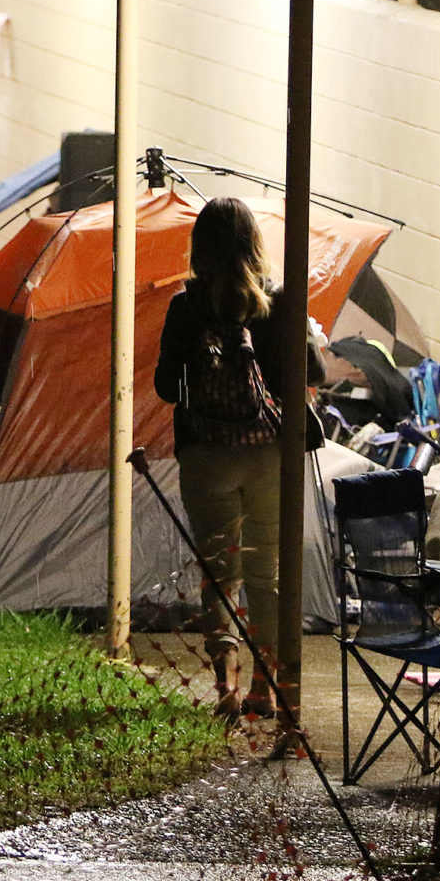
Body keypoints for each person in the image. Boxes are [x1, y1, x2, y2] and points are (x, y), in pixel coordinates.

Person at [153, 197, 322, 725]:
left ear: (199, 248)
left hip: (207, 456)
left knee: (218, 572)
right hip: (271, 455)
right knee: (266, 572)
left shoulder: (187, 305)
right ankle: (263, 689)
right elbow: (312, 373)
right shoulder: (280, 300)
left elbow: (163, 386)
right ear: (255, 243)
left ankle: (223, 682)